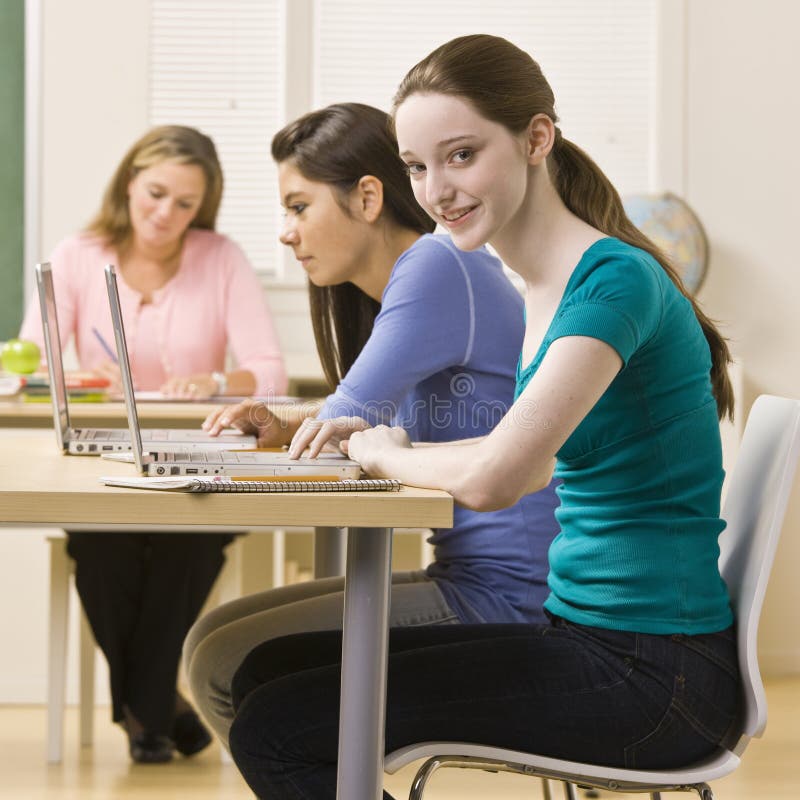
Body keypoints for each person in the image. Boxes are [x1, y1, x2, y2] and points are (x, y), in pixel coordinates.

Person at [225, 35, 740, 800]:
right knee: (267, 673)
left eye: (461, 155)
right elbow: (503, 447)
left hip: (654, 677)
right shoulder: (542, 285)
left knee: (277, 725)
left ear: (537, 138)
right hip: (599, 640)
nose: (435, 189)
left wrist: (382, 450)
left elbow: (505, 474)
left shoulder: (609, 283)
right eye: (417, 166)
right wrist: (382, 443)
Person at [182, 102, 561, 747]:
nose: (286, 232)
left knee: (222, 661)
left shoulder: (441, 265)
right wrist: (289, 420)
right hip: (481, 580)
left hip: (507, 599)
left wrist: (307, 423)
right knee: (209, 643)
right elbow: (372, 417)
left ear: (366, 198)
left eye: (299, 207)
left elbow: (342, 424)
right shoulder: (431, 277)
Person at [19, 125, 287, 763]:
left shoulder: (219, 257)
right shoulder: (80, 254)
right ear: (129, 183)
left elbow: (270, 373)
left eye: (185, 203)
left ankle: (145, 713)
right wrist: (88, 378)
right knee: (102, 544)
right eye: (156, 194)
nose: (165, 214)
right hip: (104, 458)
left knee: (184, 544)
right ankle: (159, 711)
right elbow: (35, 370)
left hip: (197, 459)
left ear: (203, 206)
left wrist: (219, 380)